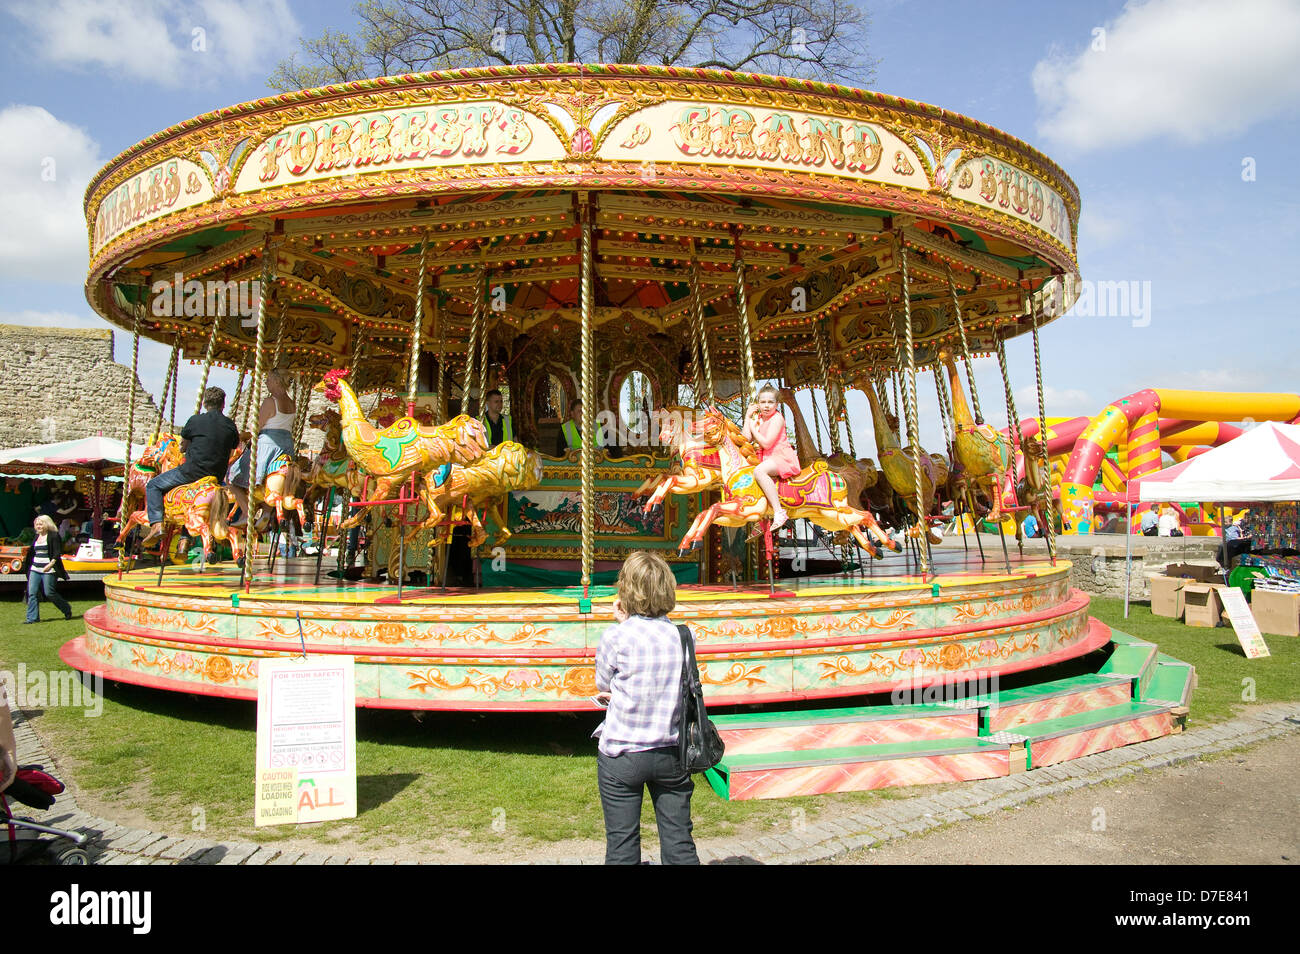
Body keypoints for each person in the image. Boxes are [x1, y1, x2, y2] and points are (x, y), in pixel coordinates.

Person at [593, 550, 699, 866]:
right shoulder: (684, 635)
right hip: (671, 750)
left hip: (623, 753)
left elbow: (603, 684)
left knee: (622, 845)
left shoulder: (615, 636)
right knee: (679, 841)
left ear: (626, 590)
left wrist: (624, 623)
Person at [141, 387, 240, 544]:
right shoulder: (230, 425)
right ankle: (185, 540)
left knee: (153, 485)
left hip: (191, 472)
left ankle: (156, 524)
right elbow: (232, 448)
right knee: (194, 502)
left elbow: (183, 447)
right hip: (216, 476)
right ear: (223, 404)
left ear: (204, 403)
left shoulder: (195, 420)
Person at [229, 370, 297, 525]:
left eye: (268, 380)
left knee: (233, 476)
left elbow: (257, 427)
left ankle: (247, 513)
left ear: (276, 381)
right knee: (271, 482)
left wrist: (245, 436)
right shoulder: (291, 403)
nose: (266, 383)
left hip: (268, 444)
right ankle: (266, 512)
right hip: (286, 446)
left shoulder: (270, 401)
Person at [741, 384, 801, 532]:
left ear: (777, 404)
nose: (766, 406)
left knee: (759, 472)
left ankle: (779, 512)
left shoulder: (777, 419)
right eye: (763, 402)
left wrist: (754, 427)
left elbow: (767, 443)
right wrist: (748, 417)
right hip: (766, 458)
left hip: (781, 457)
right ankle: (761, 516)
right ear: (758, 404)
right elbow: (745, 439)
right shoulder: (758, 418)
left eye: (770, 402)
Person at [21, 515, 72, 624]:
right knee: (32, 593)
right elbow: (33, 552)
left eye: (40, 524)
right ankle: (32, 618)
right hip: (35, 568)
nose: (38, 526)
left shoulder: (53, 536)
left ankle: (66, 609)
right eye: (36, 524)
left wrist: (50, 564)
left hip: (49, 569)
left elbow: (57, 553)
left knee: (49, 593)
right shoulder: (36, 536)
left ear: (47, 524)